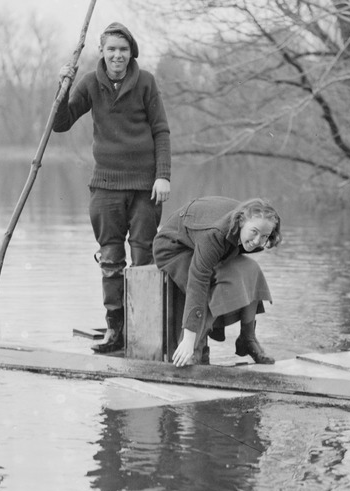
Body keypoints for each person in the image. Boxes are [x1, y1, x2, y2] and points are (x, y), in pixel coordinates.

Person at [54, 22, 171, 354]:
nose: (117, 55)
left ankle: (144, 330)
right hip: (106, 185)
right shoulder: (91, 83)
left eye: (123, 49)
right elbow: (61, 124)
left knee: (144, 258)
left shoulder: (145, 81)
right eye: (111, 49)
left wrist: (163, 175)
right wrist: (62, 86)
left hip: (146, 187)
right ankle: (115, 330)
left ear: (131, 52)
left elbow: (161, 131)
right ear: (102, 52)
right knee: (110, 259)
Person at [153, 197, 282, 368]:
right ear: (241, 222)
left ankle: (247, 338)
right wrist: (188, 339)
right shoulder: (214, 235)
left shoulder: (249, 223)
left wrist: (256, 237)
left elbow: (240, 245)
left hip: (205, 246)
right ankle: (192, 349)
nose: (258, 241)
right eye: (254, 232)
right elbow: (198, 283)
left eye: (264, 236)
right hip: (175, 248)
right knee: (210, 285)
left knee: (251, 269)